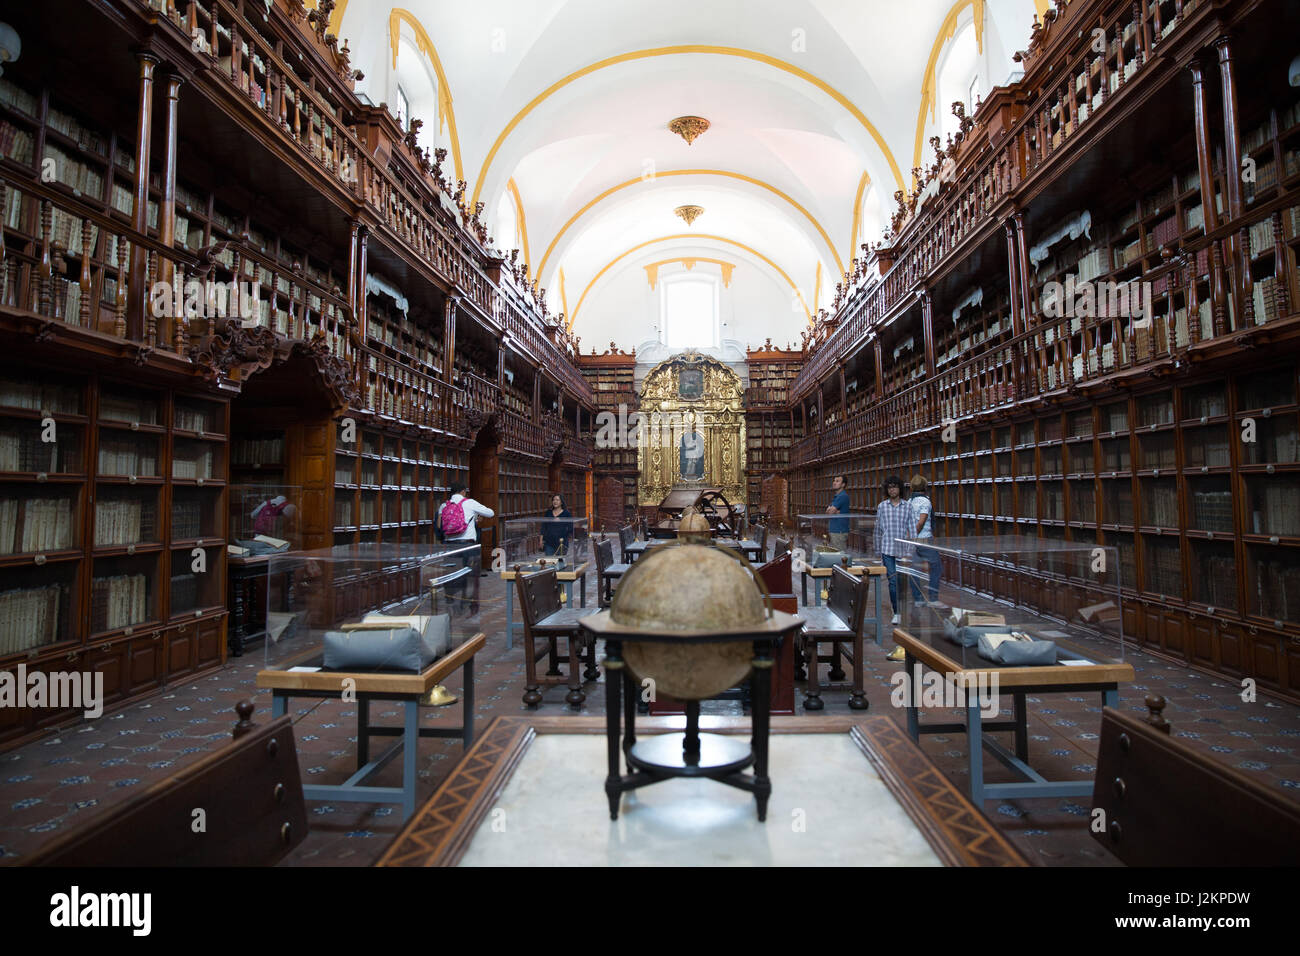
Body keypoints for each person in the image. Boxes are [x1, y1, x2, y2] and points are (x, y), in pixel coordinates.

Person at [872, 475, 911, 661]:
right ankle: (897, 611)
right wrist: (877, 550)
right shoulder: (882, 507)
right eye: (890, 488)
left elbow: (912, 528)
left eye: (895, 488)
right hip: (887, 548)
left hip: (903, 548)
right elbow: (878, 529)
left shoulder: (908, 506)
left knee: (903, 581)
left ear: (900, 489)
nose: (892, 491)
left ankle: (903, 609)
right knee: (893, 581)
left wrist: (911, 549)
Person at [907, 474, 941, 605]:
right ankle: (933, 598)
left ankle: (918, 599)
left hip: (912, 539)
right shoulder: (925, 501)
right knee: (936, 568)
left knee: (914, 569)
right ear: (925, 487)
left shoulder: (909, 502)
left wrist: (910, 537)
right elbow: (921, 521)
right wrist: (915, 535)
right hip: (924, 539)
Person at [826, 475, 850, 552]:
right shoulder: (837, 496)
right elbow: (827, 512)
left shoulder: (842, 496)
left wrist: (832, 510)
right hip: (835, 530)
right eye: (834, 481)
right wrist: (834, 511)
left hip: (839, 531)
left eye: (837, 481)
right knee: (835, 555)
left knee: (839, 556)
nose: (834, 483)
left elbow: (830, 512)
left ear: (843, 484)